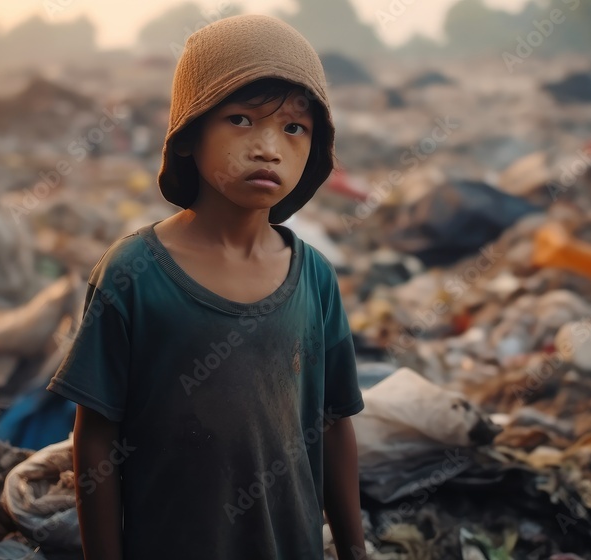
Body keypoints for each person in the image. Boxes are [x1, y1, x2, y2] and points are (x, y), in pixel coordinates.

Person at [46, 14, 367, 560]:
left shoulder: (313, 276)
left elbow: (334, 425)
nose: (269, 148)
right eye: (241, 120)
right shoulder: (135, 273)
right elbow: (95, 436)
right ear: (190, 134)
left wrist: (355, 552)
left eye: (294, 128)